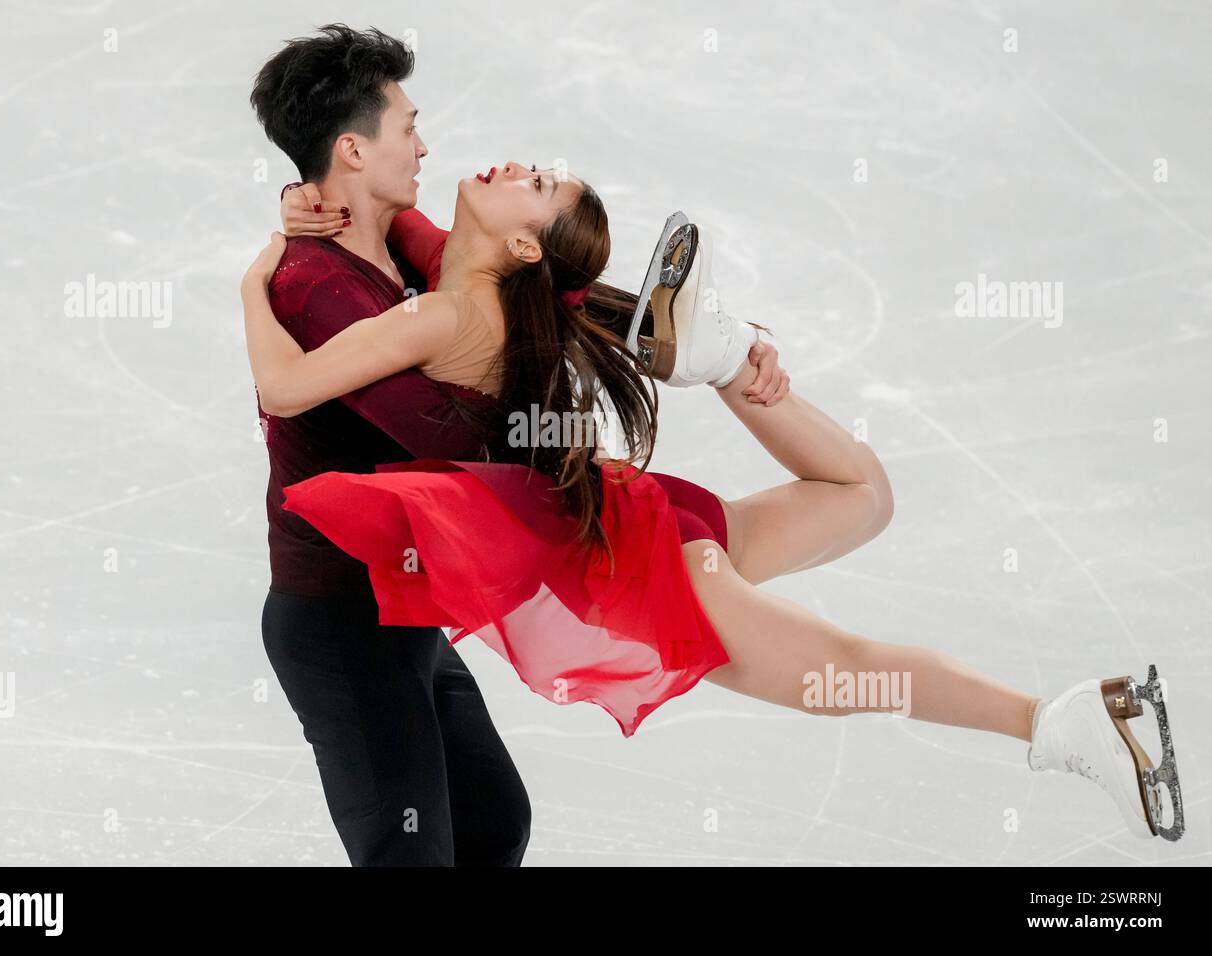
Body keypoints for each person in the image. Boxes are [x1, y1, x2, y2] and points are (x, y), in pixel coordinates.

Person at [244, 153, 1187, 843]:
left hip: (638, 557)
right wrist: (740, 369)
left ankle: (1054, 720)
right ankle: (721, 354)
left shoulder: (455, 303)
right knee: (863, 495)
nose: (521, 164)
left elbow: (297, 377)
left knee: (842, 670)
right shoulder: (498, 280)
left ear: (525, 239)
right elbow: (418, 231)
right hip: (643, 512)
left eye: (536, 184)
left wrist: (260, 271)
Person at [247, 24, 531, 866]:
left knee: (491, 823)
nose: (423, 144)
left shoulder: (394, 248)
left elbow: (486, 272)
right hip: (340, 624)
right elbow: (447, 436)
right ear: (353, 150)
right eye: (407, 127)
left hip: (406, 614)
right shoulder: (317, 289)